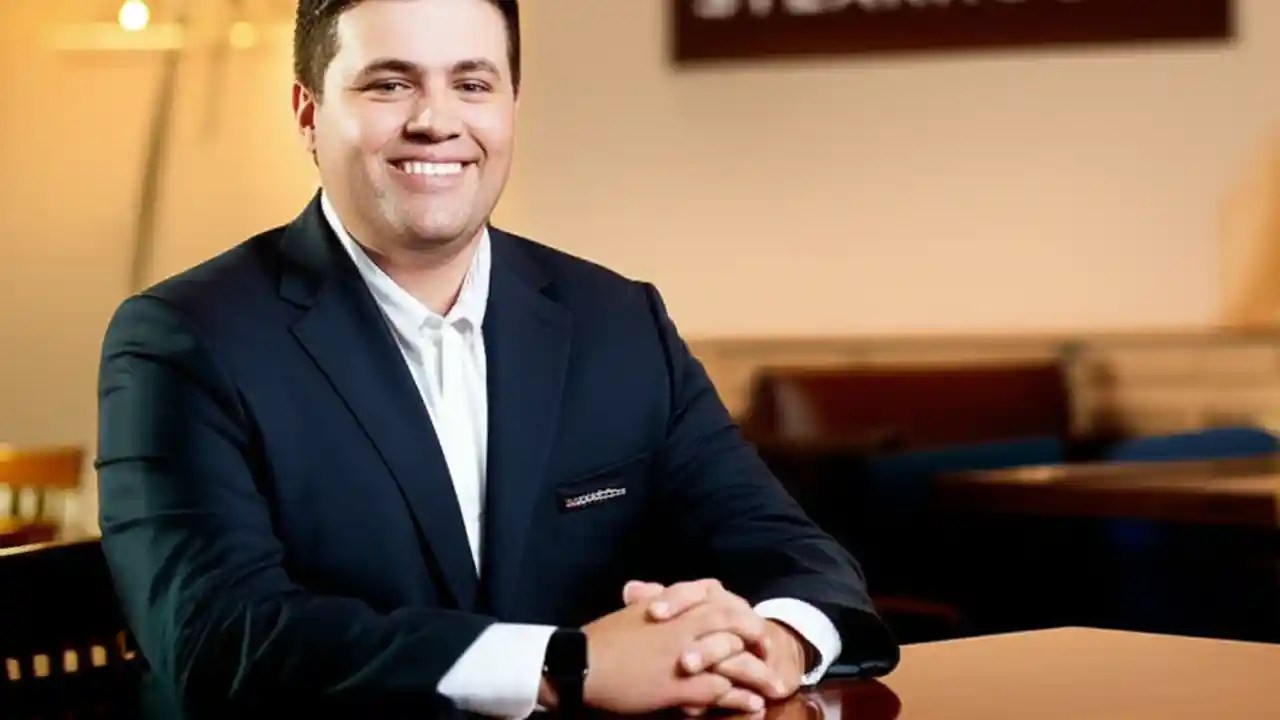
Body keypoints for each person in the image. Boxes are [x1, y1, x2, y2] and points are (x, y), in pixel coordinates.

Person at [95, 0, 898, 717]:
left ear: (511, 106)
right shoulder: (183, 339)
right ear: (308, 113)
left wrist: (771, 642)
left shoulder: (618, 322)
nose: (435, 121)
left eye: (472, 84)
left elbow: (795, 555)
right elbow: (216, 639)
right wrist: (563, 668)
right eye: (389, 85)